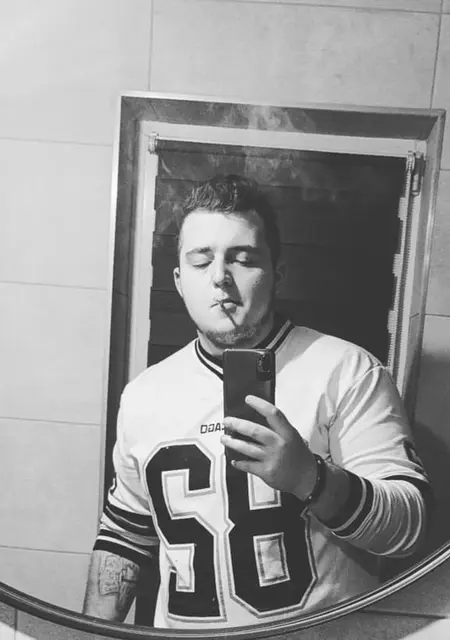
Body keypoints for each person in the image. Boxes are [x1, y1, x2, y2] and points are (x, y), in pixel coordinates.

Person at [83, 174, 431, 629]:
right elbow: (125, 535)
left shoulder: (346, 371)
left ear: (277, 274)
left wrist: (310, 478)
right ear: (179, 281)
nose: (220, 278)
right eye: (201, 261)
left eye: (243, 259)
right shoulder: (143, 396)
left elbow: (410, 528)